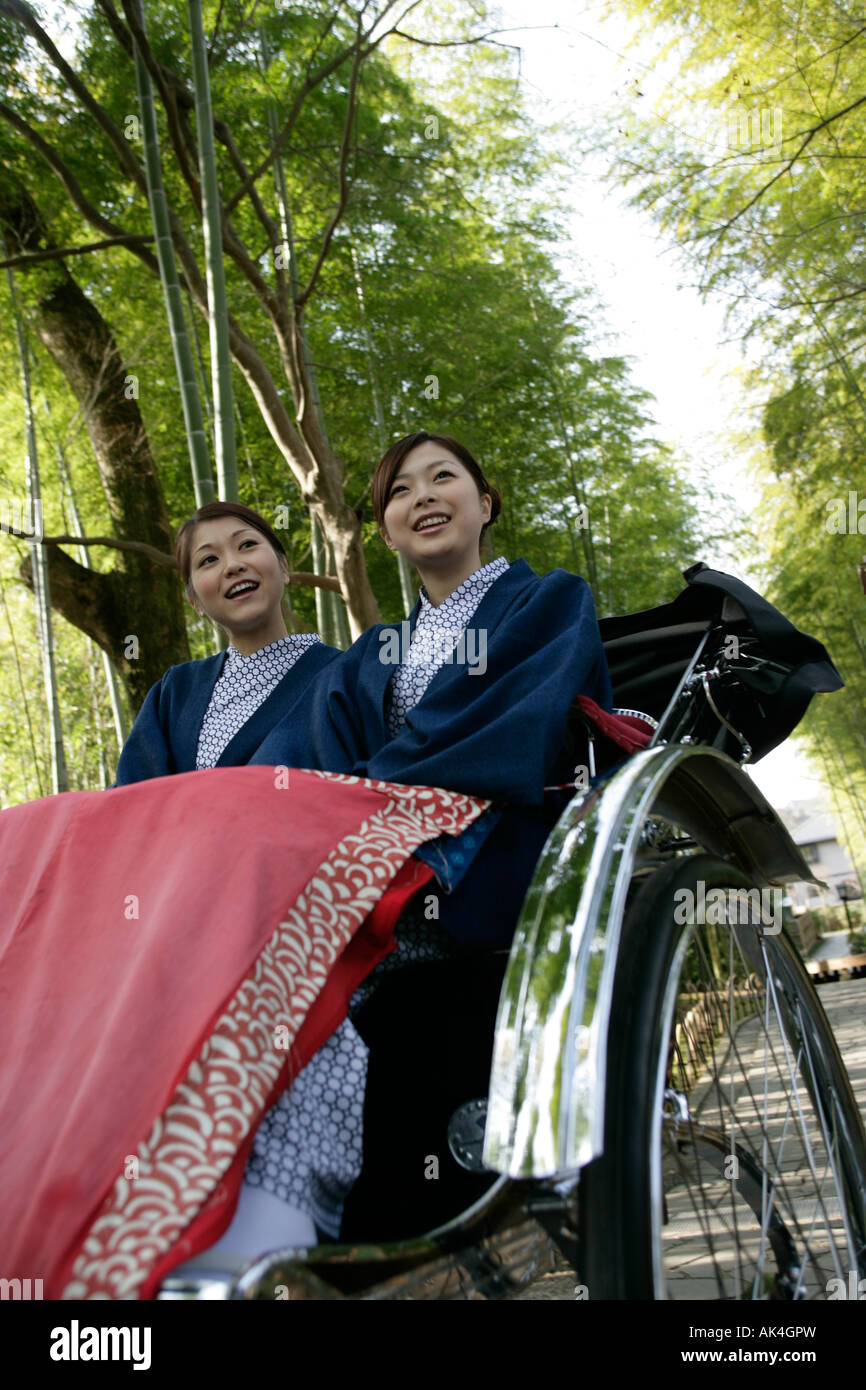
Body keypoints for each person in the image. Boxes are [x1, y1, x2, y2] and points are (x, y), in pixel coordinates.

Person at [223, 431, 613, 1250]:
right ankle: (276, 1223)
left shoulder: (548, 601)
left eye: (445, 478)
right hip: (383, 879)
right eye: (401, 490)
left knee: (323, 970)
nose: (424, 496)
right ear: (387, 529)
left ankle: (285, 1221)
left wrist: (373, 800)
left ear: (486, 502)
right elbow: (299, 770)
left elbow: (505, 728)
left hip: (501, 870)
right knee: (262, 980)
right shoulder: (369, 658)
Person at [114, 501, 339, 784]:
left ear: (283, 566)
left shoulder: (344, 675)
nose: (233, 566)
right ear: (195, 602)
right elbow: (131, 798)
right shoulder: (176, 692)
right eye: (208, 560)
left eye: (246, 544)